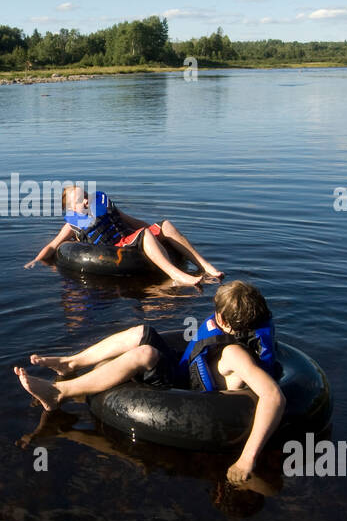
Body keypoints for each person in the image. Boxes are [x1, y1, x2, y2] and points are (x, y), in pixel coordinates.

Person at [14, 281, 284, 484]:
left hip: (188, 396)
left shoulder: (235, 353)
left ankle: (60, 392)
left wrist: (247, 458)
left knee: (145, 354)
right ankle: (72, 362)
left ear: (222, 320)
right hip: (186, 375)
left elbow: (273, 396)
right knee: (141, 332)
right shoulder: (242, 337)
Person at [24, 186, 223, 287]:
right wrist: (36, 260)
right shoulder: (71, 225)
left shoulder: (105, 209)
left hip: (130, 237)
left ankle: (205, 267)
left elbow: (134, 223)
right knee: (144, 234)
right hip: (116, 249)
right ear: (71, 208)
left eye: (86, 195)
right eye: (80, 200)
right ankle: (176, 275)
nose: (86, 200)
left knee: (165, 225)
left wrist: (160, 232)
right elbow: (53, 246)